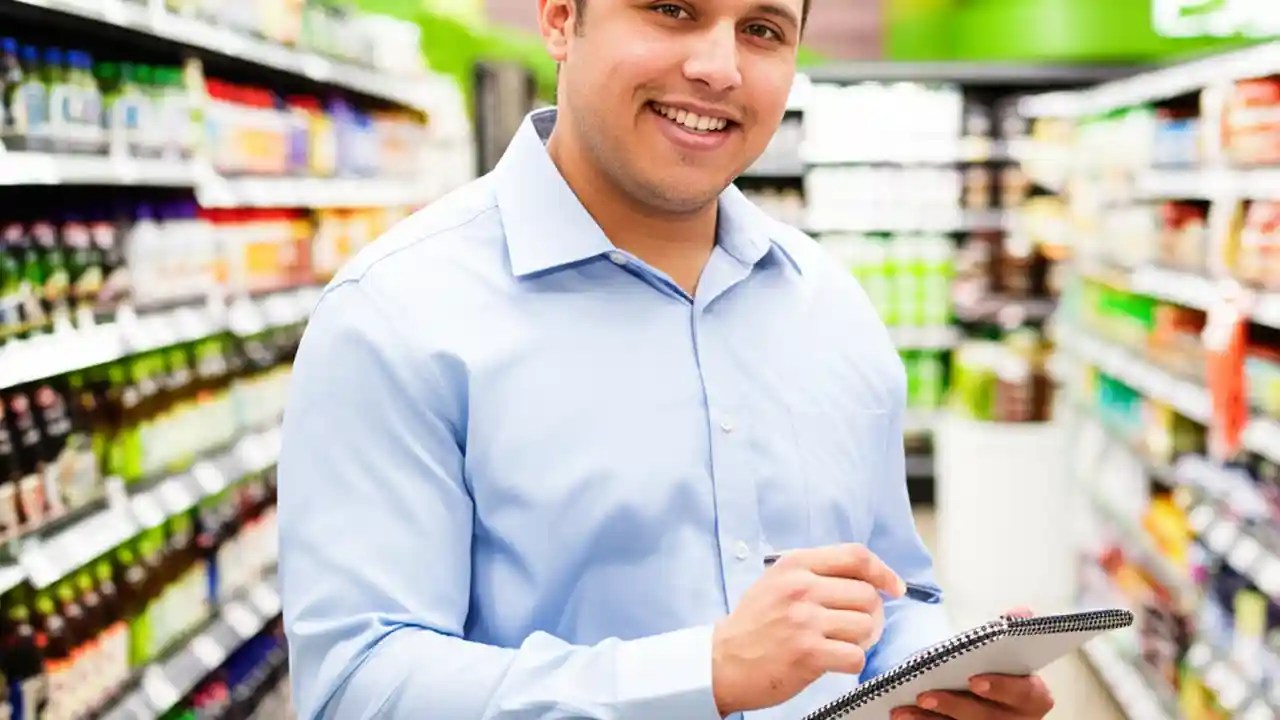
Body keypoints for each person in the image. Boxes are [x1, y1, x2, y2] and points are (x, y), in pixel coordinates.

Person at [276, 0, 1059, 718]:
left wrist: (936, 666)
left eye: (762, 30)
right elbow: (357, 684)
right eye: (672, 9)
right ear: (558, 18)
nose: (719, 68)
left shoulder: (832, 306)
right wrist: (705, 671)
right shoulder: (394, 314)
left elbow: (887, 590)